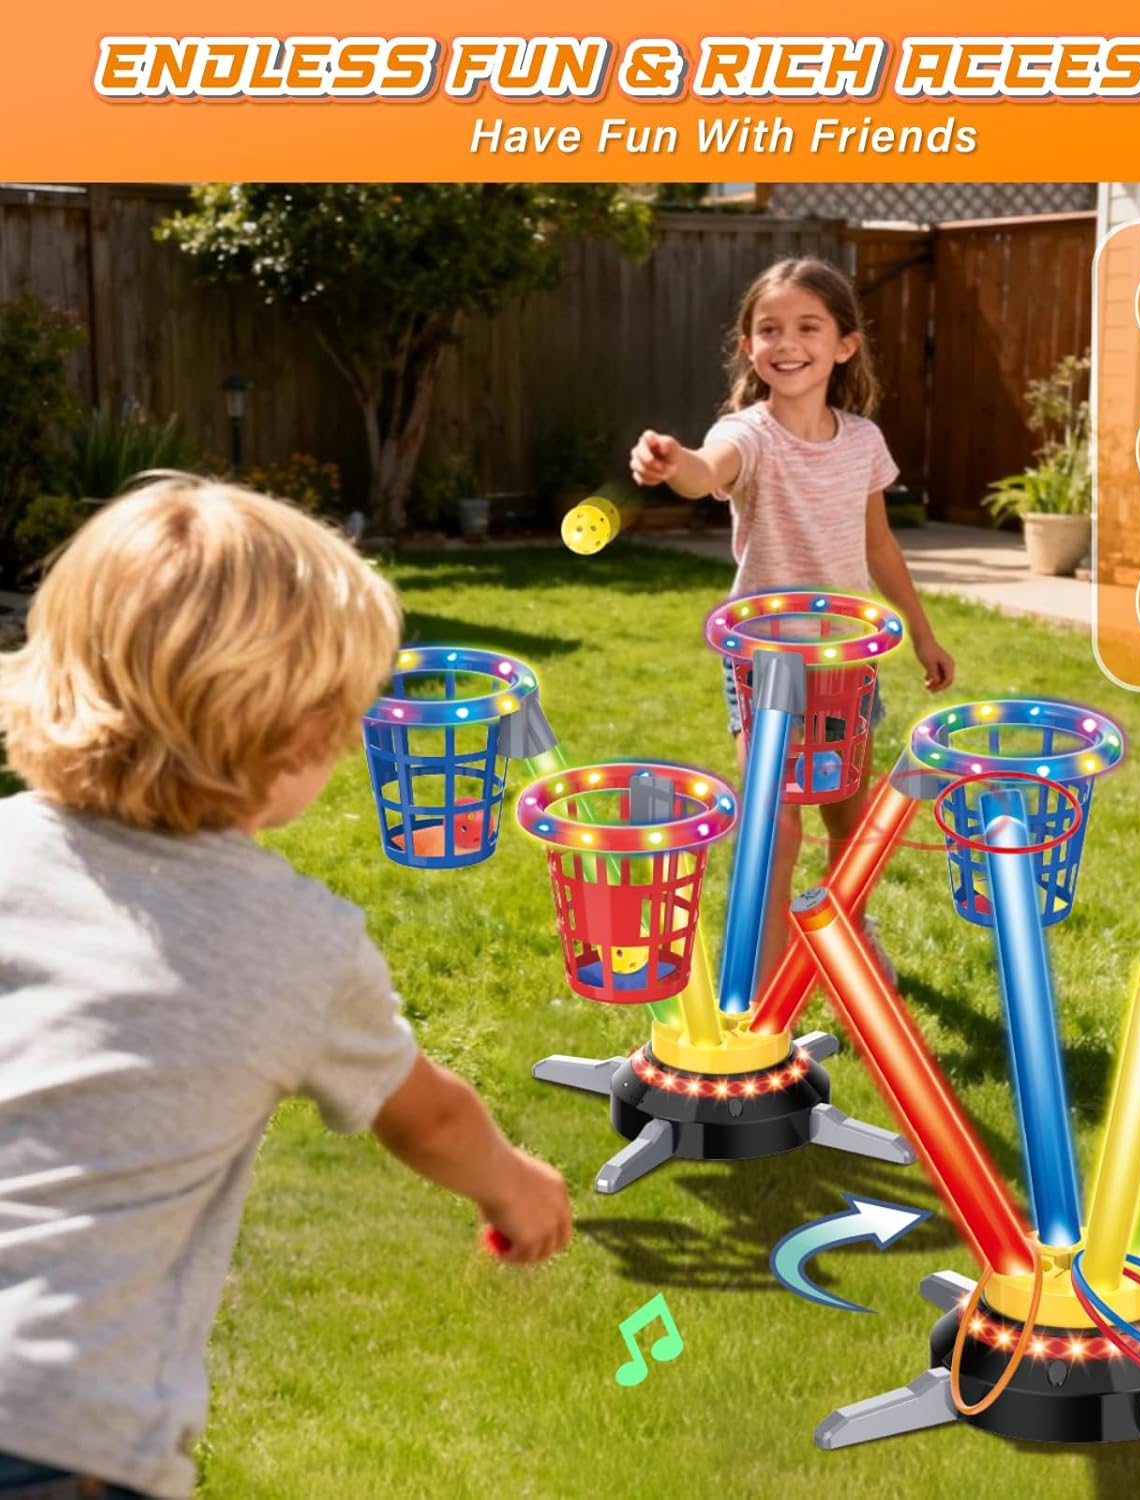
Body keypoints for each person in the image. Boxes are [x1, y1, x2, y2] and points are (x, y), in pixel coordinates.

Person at [0, 476, 571, 1499]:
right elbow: (430, 1118)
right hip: (55, 1425)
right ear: (301, 738)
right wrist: (519, 1191)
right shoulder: (298, 942)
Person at [629, 256, 955, 976]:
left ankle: (849, 932)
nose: (787, 342)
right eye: (769, 328)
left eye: (808, 326)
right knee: (774, 827)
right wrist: (672, 459)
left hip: (845, 662)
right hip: (764, 666)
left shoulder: (863, 442)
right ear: (748, 346)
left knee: (848, 814)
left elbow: (878, 544)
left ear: (845, 343)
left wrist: (923, 634)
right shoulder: (747, 434)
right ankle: (762, 993)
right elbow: (706, 470)